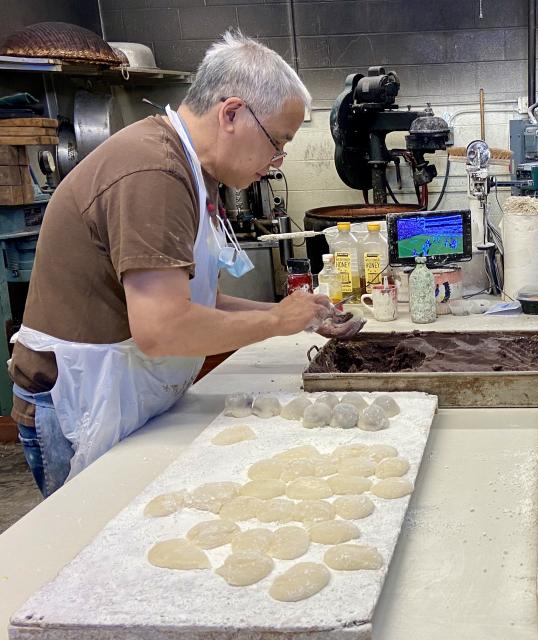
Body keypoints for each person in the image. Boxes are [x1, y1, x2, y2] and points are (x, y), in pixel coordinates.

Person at [10, 31, 364, 498]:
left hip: (120, 390)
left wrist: (293, 314)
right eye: (277, 142)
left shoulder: (194, 171)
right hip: (79, 403)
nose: (277, 162)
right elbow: (163, 329)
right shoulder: (153, 171)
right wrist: (278, 322)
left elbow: (201, 301)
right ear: (231, 114)